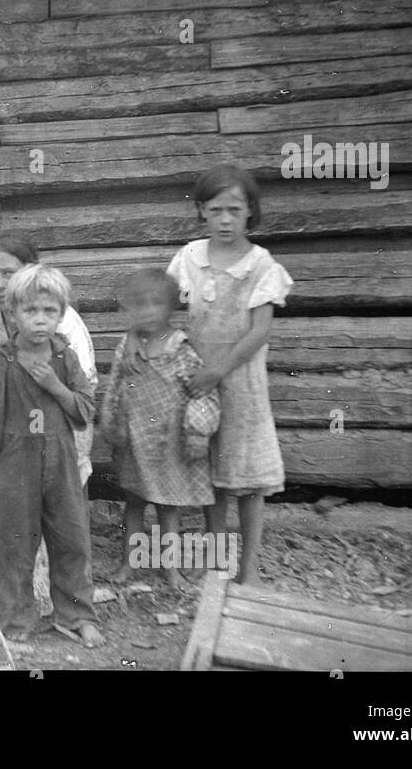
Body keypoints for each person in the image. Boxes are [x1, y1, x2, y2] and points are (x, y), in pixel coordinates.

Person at [0, 232, 98, 611]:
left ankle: (74, 613)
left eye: (8, 274)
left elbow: (83, 404)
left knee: (69, 539)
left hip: (59, 445)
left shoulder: (63, 337)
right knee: (11, 542)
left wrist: (55, 389)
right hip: (5, 445)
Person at [165, 164, 293, 586]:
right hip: (199, 384)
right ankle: (216, 560)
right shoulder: (190, 258)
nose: (224, 220)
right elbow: (168, 308)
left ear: (250, 210)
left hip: (242, 384)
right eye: (216, 210)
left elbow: (259, 331)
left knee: (249, 479)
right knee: (212, 475)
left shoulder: (260, 264)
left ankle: (249, 568)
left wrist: (218, 369)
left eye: (234, 210)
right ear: (201, 210)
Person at [99, 268, 220, 587]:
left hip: (169, 444)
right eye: (141, 304)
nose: (149, 311)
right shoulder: (127, 346)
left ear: (171, 306)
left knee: (168, 508)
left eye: (157, 303)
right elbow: (115, 387)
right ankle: (129, 563)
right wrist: (112, 426)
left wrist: (199, 430)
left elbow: (201, 392)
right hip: (135, 442)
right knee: (134, 504)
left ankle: (170, 568)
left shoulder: (180, 348)